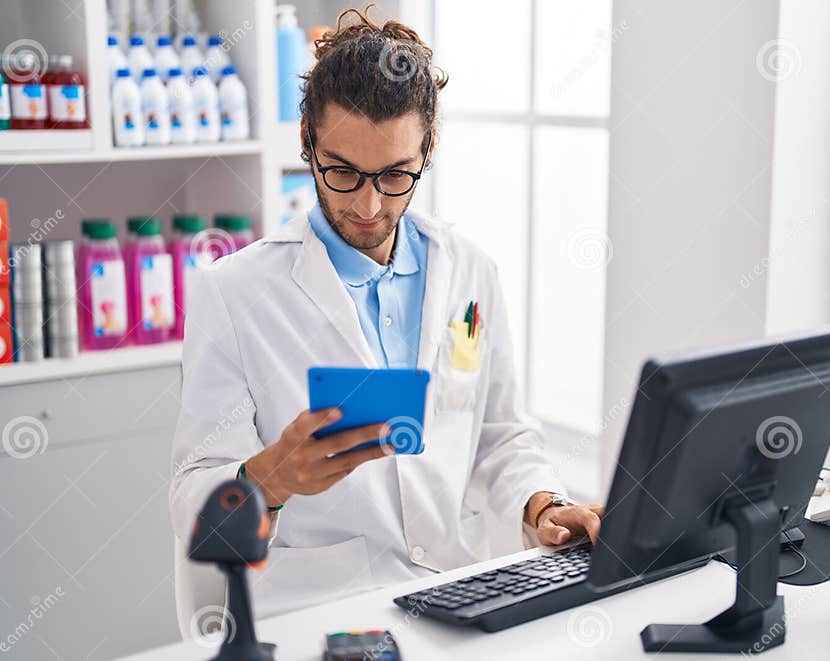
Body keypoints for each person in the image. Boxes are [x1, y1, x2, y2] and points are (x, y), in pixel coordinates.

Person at [170, 6, 604, 618]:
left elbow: (499, 435)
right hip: (317, 609)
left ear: (428, 148)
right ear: (306, 140)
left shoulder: (470, 270)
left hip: (459, 592)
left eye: (396, 174)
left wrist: (544, 505)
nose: (369, 206)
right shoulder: (233, 292)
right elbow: (192, 496)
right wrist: (271, 476)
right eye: (342, 172)